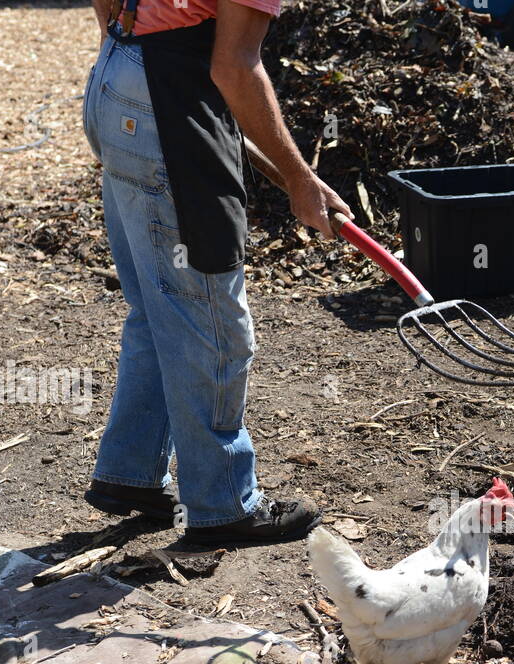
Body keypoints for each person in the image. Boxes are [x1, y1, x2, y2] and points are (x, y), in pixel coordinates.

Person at [80, 0, 352, 547]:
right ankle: (223, 502)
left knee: (160, 303)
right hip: (163, 96)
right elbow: (233, 66)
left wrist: (143, 71)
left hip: (117, 77)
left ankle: (129, 472)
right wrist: (301, 180)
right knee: (210, 315)